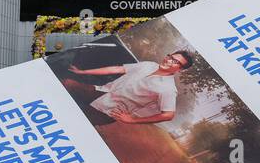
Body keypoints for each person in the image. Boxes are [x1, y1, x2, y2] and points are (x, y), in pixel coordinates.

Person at [62, 51, 191, 124]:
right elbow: (117, 69)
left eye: (176, 62)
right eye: (170, 57)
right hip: (100, 91)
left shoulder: (168, 89)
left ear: (181, 69)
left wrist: (132, 120)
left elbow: (168, 115)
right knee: (67, 83)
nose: (169, 61)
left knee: (74, 123)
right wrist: (83, 72)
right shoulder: (149, 65)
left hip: (109, 110)